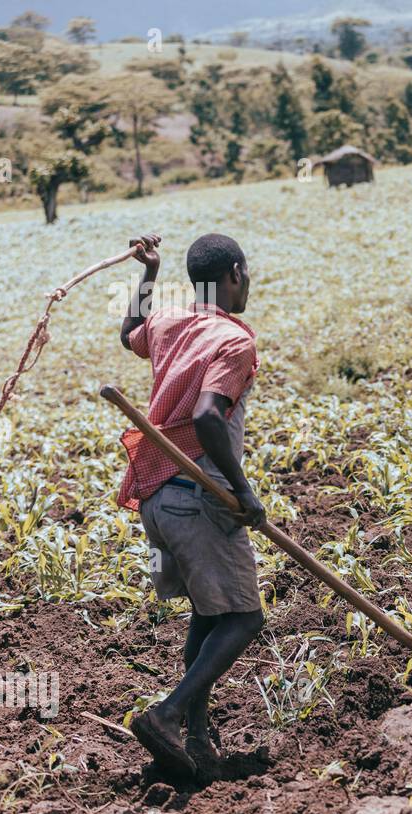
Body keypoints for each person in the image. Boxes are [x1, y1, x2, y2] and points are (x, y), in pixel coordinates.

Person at [118, 232, 266, 777]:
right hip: (198, 496)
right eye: (246, 272)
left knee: (209, 614)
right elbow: (208, 417)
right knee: (245, 618)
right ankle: (169, 713)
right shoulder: (233, 342)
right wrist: (243, 492)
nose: (248, 282)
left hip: (157, 497)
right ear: (234, 271)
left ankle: (199, 738)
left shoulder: (170, 321)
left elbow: (130, 331)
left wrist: (148, 275)